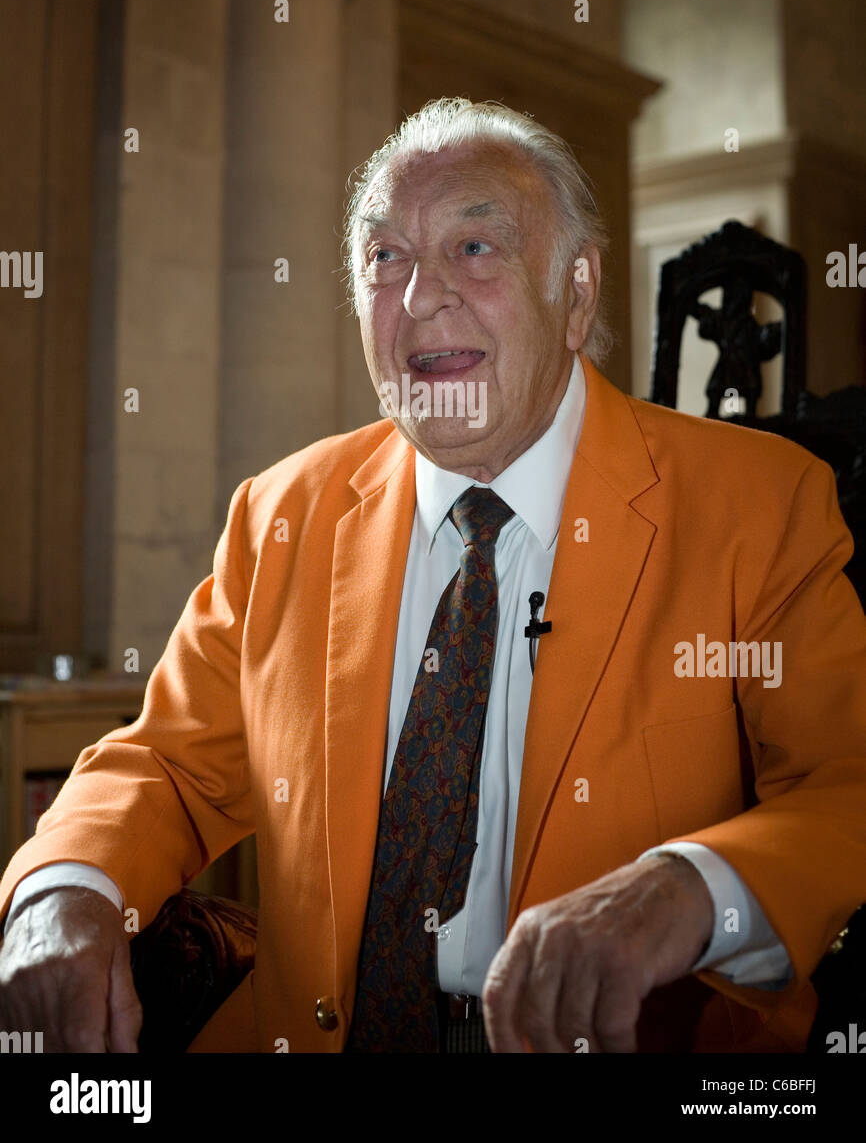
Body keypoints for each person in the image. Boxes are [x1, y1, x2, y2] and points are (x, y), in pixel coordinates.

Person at [1, 98, 864, 1054]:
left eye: (475, 249)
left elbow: (845, 787)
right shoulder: (284, 513)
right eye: (385, 259)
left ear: (578, 292)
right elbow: (164, 764)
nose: (419, 299)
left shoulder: (758, 504)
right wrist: (65, 887)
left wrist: (688, 886)